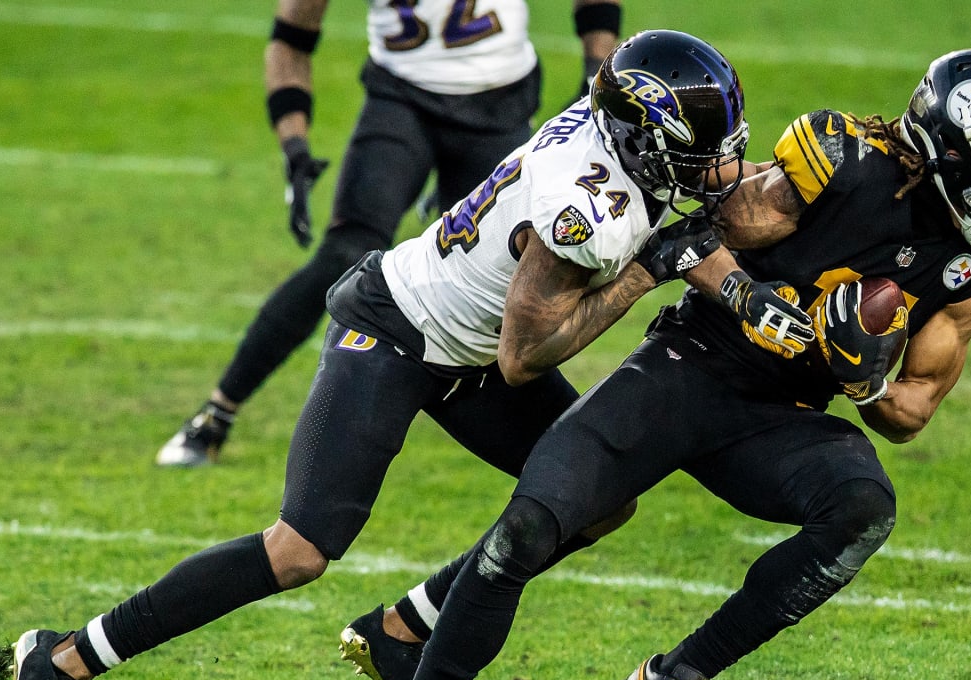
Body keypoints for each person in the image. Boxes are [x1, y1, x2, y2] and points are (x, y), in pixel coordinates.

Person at [0, 29, 762, 680]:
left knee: (598, 498)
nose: (721, 165)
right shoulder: (582, 204)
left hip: (465, 350)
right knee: (299, 549)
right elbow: (524, 356)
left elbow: (735, 202)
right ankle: (64, 660)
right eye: (705, 149)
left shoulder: (620, 147)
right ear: (642, 140)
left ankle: (404, 632)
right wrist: (646, 273)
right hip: (397, 332)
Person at [383, 48, 971, 680]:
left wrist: (864, 385)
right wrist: (752, 299)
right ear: (956, 149)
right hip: (692, 364)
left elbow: (913, 407)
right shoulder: (841, 158)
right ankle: (410, 655)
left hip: (782, 415)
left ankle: (671, 679)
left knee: (863, 507)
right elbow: (699, 232)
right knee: (529, 528)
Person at [156, 0, 626, 467]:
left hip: (499, 106)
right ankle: (217, 413)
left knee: (523, 280)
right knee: (343, 253)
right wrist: (293, 144)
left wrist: (593, 70)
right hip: (403, 102)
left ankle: (564, 460)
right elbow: (290, 38)